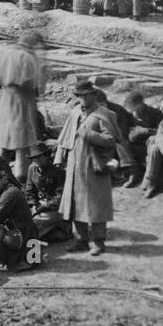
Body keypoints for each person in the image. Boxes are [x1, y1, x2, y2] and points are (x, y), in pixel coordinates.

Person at [55, 77, 133, 254]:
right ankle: (81, 240)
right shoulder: (75, 112)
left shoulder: (103, 114)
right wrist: (59, 158)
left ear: (93, 95)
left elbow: (112, 140)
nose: (81, 99)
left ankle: (98, 242)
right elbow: (65, 138)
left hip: (94, 165)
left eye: (85, 95)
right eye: (78, 95)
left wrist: (88, 134)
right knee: (75, 204)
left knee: (96, 204)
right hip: (75, 166)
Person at [0, 31, 45, 183]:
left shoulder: (5, 53)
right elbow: (31, 84)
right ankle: (20, 181)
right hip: (22, 104)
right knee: (21, 147)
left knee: (3, 146)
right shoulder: (27, 57)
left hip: (5, 103)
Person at [23, 143, 70, 242]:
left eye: (39, 156)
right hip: (39, 206)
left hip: (55, 209)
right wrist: (33, 204)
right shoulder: (32, 169)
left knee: (34, 224)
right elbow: (29, 190)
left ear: (46, 156)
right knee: (21, 220)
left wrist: (43, 206)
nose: (36, 160)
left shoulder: (58, 172)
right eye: (34, 158)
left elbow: (60, 198)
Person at [120, 91, 163, 188]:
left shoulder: (156, 113)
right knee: (122, 144)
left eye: (135, 108)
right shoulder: (130, 115)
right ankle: (134, 174)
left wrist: (146, 130)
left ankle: (149, 179)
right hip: (134, 145)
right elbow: (125, 130)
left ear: (141, 104)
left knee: (152, 143)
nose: (133, 112)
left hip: (150, 146)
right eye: (131, 109)